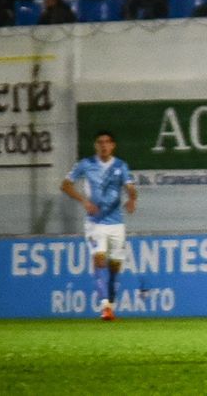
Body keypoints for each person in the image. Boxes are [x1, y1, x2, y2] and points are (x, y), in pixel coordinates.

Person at [60, 131, 137, 321]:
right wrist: (84, 201)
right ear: (96, 145)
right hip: (95, 223)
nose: (103, 145)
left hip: (116, 223)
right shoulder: (86, 164)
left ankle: (110, 304)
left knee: (114, 267)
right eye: (100, 142)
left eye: (107, 142)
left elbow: (130, 187)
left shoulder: (121, 166)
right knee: (99, 260)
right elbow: (65, 184)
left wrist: (132, 198)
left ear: (113, 145)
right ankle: (105, 307)